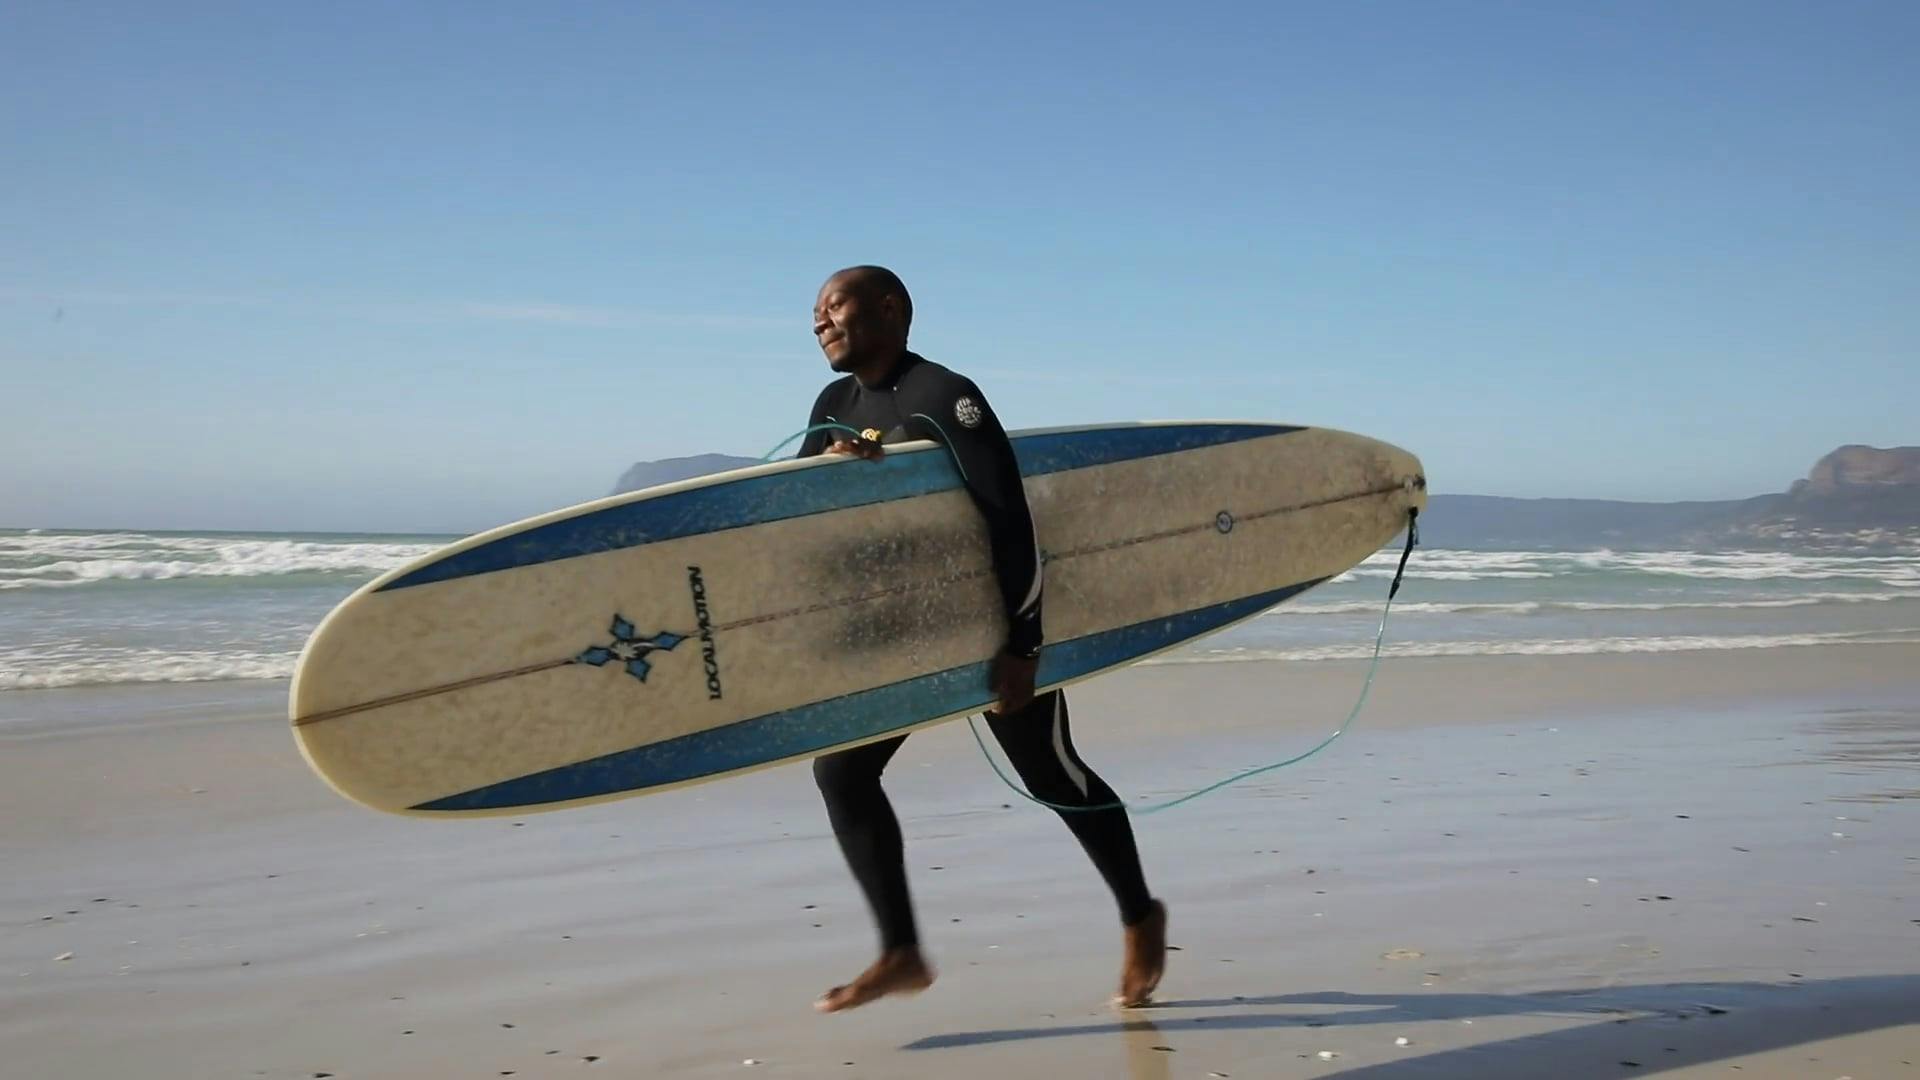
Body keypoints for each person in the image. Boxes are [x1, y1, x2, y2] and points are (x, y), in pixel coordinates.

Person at [797, 265, 1167, 1014]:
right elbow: (799, 517)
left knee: (1052, 777)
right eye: (814, 312)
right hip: (906, 633)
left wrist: (1023, 644)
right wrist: (837, 470)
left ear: (891, 308)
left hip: (990, 625)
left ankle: (1139, 915)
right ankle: (900, 952)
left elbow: (1009, 521)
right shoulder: (834, 404)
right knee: (842, 775)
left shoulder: (945, 397)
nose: (818, 322)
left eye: (833, 306)